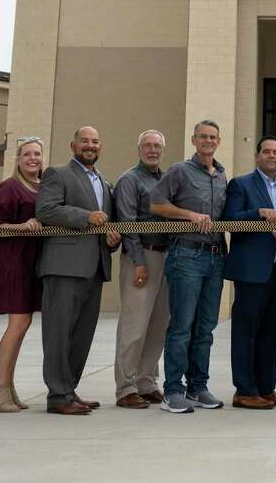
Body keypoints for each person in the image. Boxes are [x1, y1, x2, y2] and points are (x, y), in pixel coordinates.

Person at [36, 126, 121, 415]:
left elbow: (104, 225)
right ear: (73, 145)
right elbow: (46, 210)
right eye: (84, 141)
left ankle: (69, 391)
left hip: (94, 268)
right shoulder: (57, 174)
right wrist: (86, 217)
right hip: (63, 266)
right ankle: (57, 396)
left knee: (82, 335)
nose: (90, 145)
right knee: (59, 333)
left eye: (95, 141)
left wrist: (112, 241)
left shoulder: (104, 182)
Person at [150, 119, 229, 414]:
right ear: (193, 140)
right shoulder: (180, 171)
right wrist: (188, 215)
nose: (208, 141)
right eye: (203, 137)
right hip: (186, 255)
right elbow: (156, 205)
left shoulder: (221, 175)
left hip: (215, 256)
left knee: (206, 327)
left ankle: (198, 387)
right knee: (182, 325)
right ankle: (173, 391)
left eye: (212, 137)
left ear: (218, 141)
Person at [224, 136, 276, 410]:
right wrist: (259, 214)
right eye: (266, 151)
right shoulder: (240, 184)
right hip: (252, 272)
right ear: (257, 155)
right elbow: (230, 221)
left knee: (272, 332)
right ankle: (244, 390)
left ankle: (266, 388)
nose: (271, 155)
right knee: (246, 331)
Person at [0, 137, 46, 413]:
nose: (33, 158)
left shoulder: (42, 187)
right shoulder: (10, 187)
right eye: (27, 154)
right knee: (18, 324)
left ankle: (6, 385)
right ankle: (0, 388)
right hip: (11, 261)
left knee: (24, 324)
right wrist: (23, 225)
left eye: (37, 154)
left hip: (32, 262)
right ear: (18, 159)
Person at [112, 129, 171, 409]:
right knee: (134, 327)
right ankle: (125, 387)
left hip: (167, 258)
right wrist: (138, 263)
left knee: (158, 325)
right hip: (142, 258)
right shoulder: (129, 180)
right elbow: (127, 224)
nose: (153, 150)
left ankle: (147, 382)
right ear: (139, 148)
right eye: (147, 145)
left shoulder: (167, 179)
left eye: (157, 146)